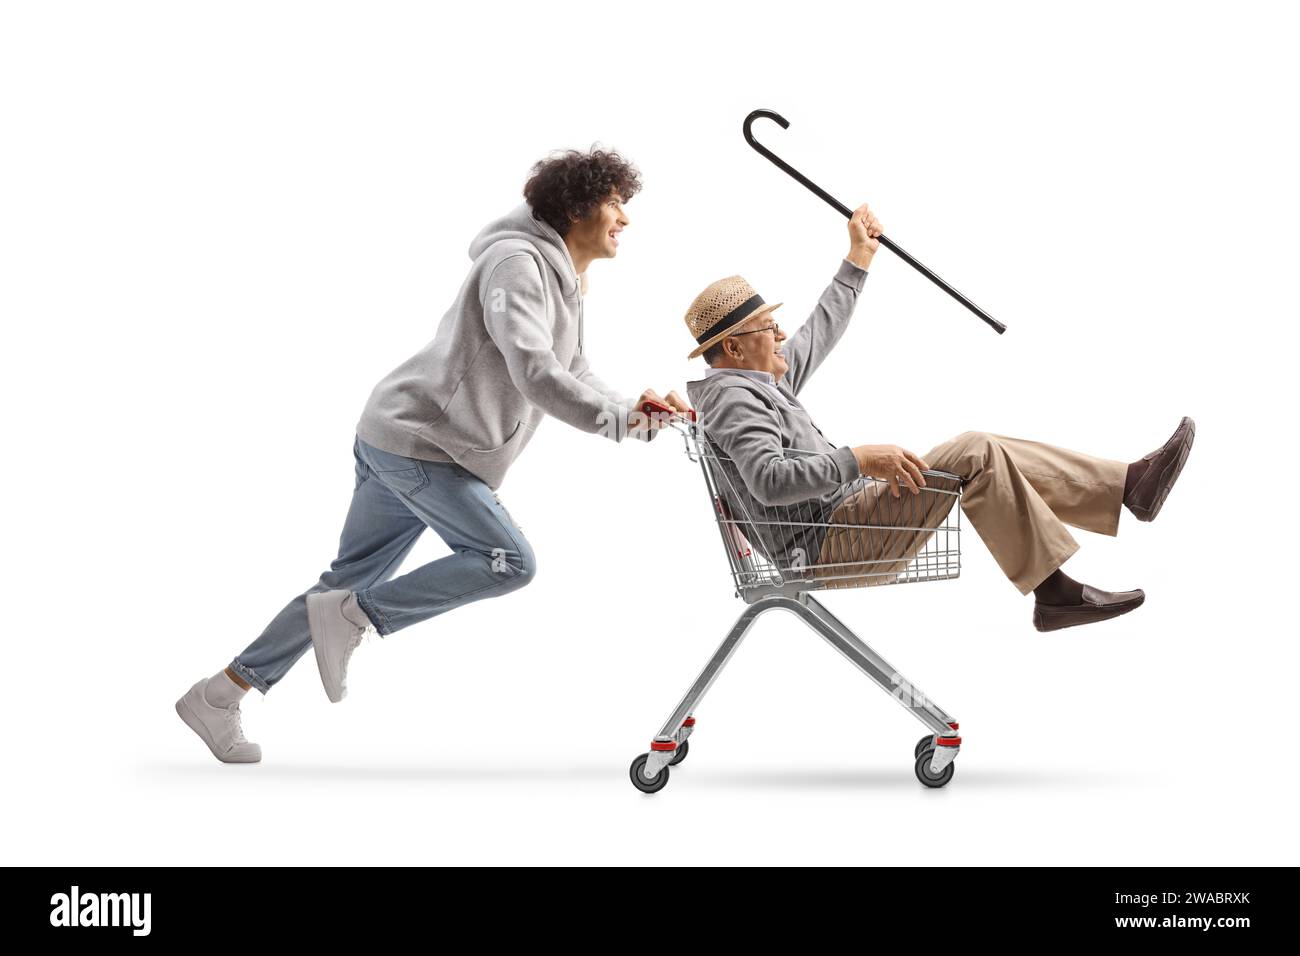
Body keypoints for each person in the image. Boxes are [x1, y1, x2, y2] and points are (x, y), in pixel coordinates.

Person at [177, 146, 689, 763]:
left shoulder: (565, 277)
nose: (625, 219)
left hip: (407, 439)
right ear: (578, 205)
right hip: (422, 445)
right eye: (615, 203)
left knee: (339, 586)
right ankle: (358, 614)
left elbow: (573, 368)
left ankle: (220, 693)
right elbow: (534, 372)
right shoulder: (516, 264)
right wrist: (617, 422)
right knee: (507, 562)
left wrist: (635, 410)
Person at [682, 202, 1193, 631]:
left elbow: (820, 331)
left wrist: (858, 257)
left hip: (849, 520)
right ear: (733, 346)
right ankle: (1104, 518)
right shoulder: (734, 398)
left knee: (984, 454)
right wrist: (857, 460)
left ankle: (1111, 510)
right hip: (830, 541)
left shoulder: (761, 384)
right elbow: (770, 482)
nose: (780, 333)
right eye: (767, 326)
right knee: (974, 449)